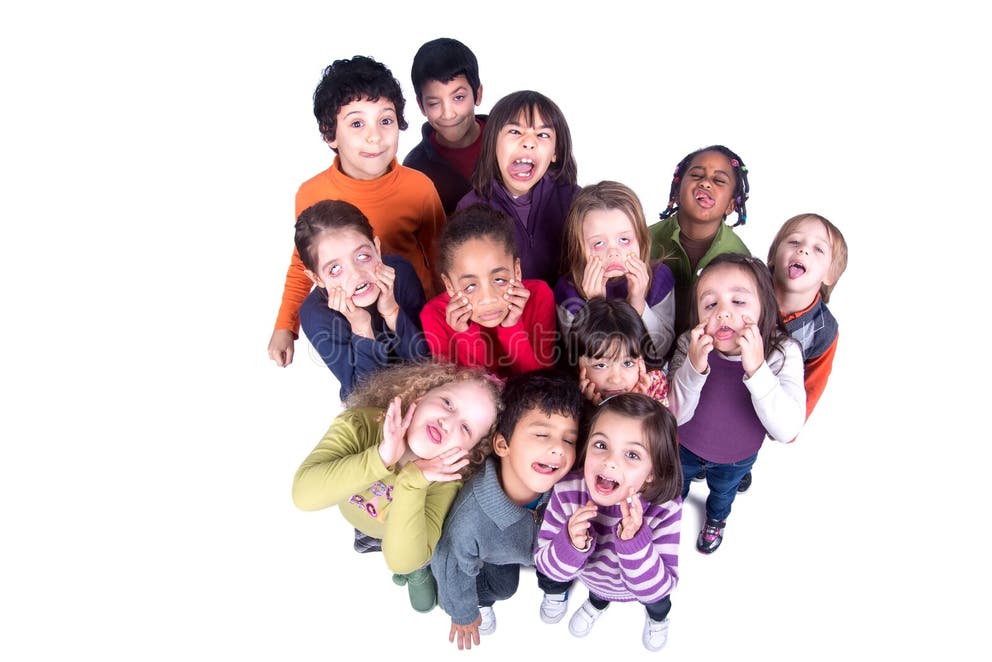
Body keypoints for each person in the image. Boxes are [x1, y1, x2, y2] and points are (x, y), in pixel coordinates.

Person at [268, 55, 445, 368]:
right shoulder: (312, 193)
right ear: (330, 134)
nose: (374, 136)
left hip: (411, 313)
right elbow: (302, 263)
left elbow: (441, 257)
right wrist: (285, 324)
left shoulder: (418, 187)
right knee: (368, 384)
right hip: (351, 319)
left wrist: (441, 318)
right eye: (357, 123)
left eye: (385, 121)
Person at [292, 362, 502, 613]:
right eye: (448, 403)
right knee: (377, 542)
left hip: (405, 534)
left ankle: (419, 571)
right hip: (358, 517)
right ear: (421, 396)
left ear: (467, 452)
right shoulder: (361, 424)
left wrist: (414, 481)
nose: (447, 422)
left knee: (410, 562)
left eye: (466, 428)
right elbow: (303, 495)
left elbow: (402, 561)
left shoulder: (447, 481)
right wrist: (381, 458)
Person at [431, 370, 583, 650]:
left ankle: (555, 588)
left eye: (569, 440)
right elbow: (451, 565)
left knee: (560, 567)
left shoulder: (570, 491)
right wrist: (463, 612)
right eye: (542, 434)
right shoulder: (470, 519)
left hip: (548, 550)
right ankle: (483, 601)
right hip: (499, 558)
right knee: (503, 587)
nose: (558, 449)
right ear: (503, 445)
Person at [668, 254, 805, 554]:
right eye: (710, 304)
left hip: (736, 458)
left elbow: (787, 429)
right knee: (675, 486)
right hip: (685, 447)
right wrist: (693, 367)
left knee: (723, 493)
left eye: (739, 301)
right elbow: (672, 416)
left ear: (764, 305)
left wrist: (757, 369)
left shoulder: (782, 353)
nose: (723, 313)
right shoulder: (689, 344)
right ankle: (668, 517)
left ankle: (715, 520)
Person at [534, 393, 683, 652]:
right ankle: (596, 606)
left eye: (632, 454)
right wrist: (570, 543)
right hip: (595, 581)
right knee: (599, 594)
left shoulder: (666, 508)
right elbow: (547, 567)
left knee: (658, 605)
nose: (610, 461)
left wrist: (634, 543)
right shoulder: (567, 490)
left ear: (653, 472)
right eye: (601, 445)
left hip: (646, 592)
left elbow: (657, 588)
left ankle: (658, 621)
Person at [736, 213, 849, 492]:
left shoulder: (823, 330)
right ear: (774, 255)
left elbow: (813, 383)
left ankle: (740, 464)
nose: (803, 250)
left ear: (830, 274)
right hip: (726, 373)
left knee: (748, 433)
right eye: (794, 242)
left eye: (818, 249)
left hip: (765, 396)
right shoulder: (748, 284)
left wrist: (791, 425)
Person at [295, 200, 429, 400]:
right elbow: (362, 396)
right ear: (317, 278)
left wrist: (392, 311)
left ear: (377, 248)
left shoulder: (400, 272)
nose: (356, 275)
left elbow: (427, 361)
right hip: (370, 405)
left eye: (363, 256)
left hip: (425, 391)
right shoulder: (315, 314)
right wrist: (361, 328)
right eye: (335, 269)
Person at [456, 90, 579, 287]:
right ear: (493, 143)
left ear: (555, 152)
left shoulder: (574, 201)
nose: (529, 142)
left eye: (542, 135)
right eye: (515, 132)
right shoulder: (470, 208)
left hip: (568, 305)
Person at [421, 204, 556, 377]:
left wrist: (512, 327)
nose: (488, 299)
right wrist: (465, 334)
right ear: (449, 286)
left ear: (517, 271)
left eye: (499, 280)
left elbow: (542, 384)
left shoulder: (539, 296)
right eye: (470, 286)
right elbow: (463, 388)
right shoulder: (435, 315)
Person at [556, 181, 676, 359]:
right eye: (598, 243)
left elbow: (659, 351)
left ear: (641, 240)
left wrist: (637, 303)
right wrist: (596, 305)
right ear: (579, 248)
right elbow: (581, 358)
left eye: (624, 240)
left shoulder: (659, 277)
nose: (613, 252)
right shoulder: (568, 290)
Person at [649, 145, 752, 344]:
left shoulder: (740, 257)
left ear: (731, 205)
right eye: (696, 175)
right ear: (677, 192)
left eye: (719, 180)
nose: (705, 183)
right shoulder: (643, 241)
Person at [403, 37, 487, 214]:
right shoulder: (415, 167)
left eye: (458, 98)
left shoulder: (508, 140)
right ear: (421, 106)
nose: (448, 114)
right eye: (434, 103)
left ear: (478, 94)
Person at [565, 297, 669, 407]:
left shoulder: (654, 385)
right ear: (577, 365)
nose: (616, 379)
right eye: (601, 365)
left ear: (642, 360)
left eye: (627, 363)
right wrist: (593, 409)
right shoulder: (567, 397)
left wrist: (637, 405)